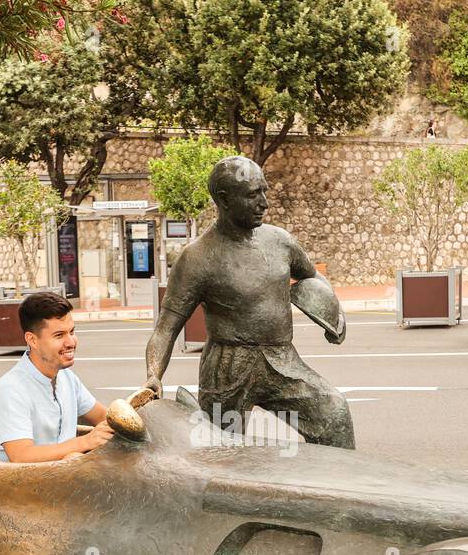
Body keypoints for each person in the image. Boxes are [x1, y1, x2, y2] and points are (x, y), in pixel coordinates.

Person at [144, 155, 355, 449]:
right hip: (227, 367)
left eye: (264, 191)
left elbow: (313, 277)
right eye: (253, 195)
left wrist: (332, 313)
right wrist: (154, 375)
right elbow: (166, 328)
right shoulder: (197, 258)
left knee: (333, 413)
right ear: (224, 199)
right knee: (222, 451)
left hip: (282, 360)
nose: (265, 203)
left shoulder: (280, 241)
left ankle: (339, 490)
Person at [0, 292, 113, 463]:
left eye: (72, 331)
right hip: (25, 487)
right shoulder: (10, 390)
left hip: (66, 480)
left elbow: (103, 417)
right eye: (59, 335)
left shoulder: (67, 378)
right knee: (76, 458)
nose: (71, 342)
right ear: (32, 340)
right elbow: (21, 455)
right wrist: (85, 442)